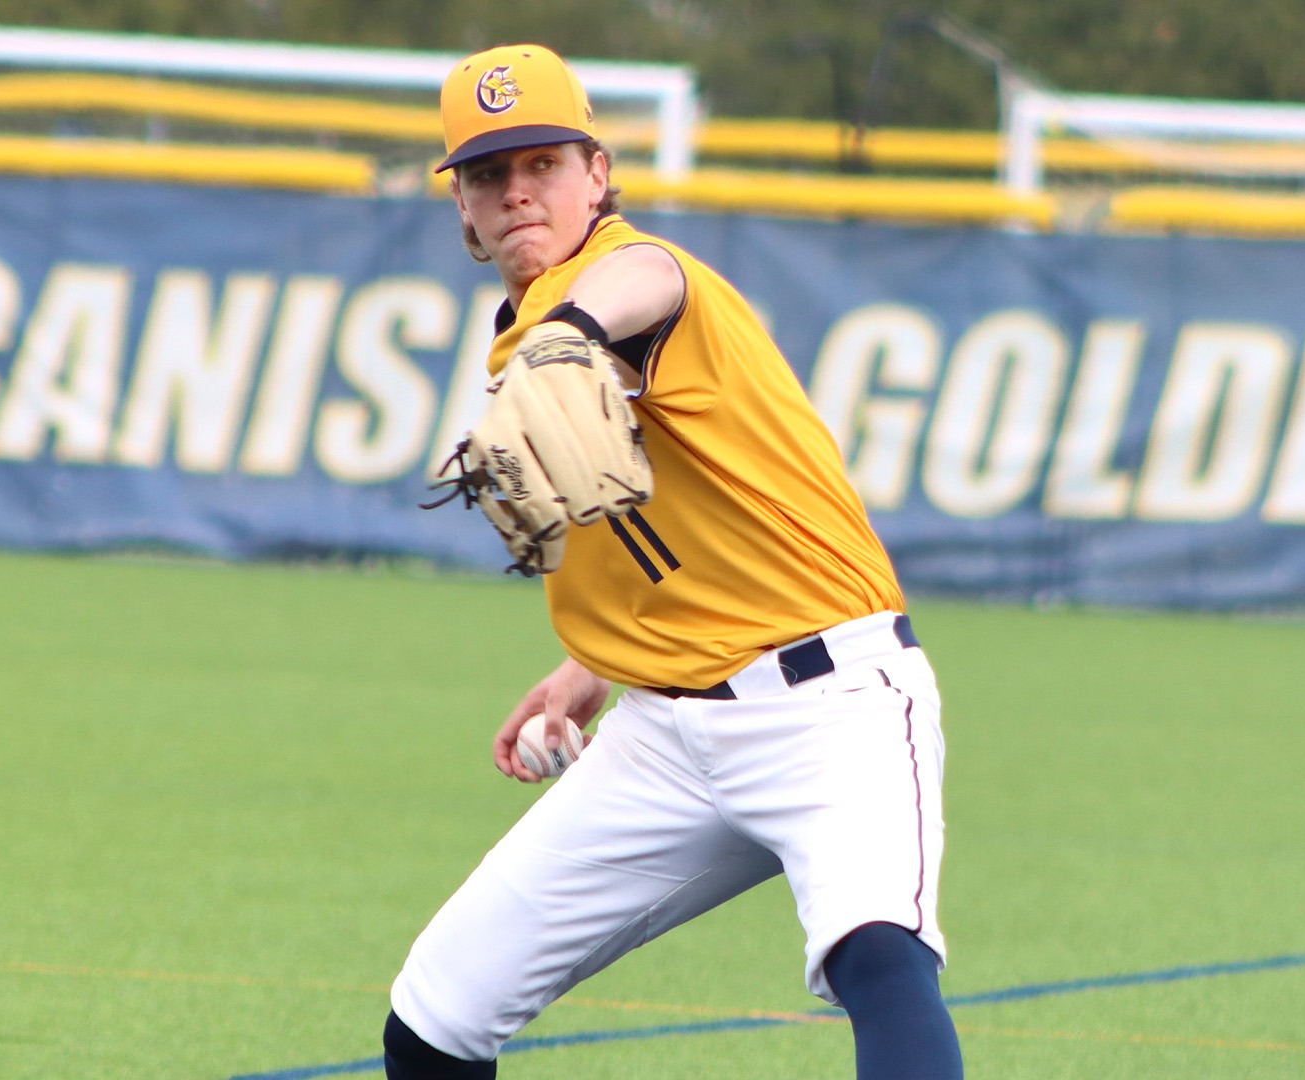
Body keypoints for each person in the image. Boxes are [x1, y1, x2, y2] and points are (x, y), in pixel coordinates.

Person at [387, 43, 962, 1080]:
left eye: (542, 164)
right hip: (666, 735)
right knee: (435, 1020)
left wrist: (573, 329)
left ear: (598, 174)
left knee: (879, 956)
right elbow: (657, 527)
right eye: (487, 175)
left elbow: (646, 277)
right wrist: (589, 670)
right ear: (463, 210)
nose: (517, 192)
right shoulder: (532, 329)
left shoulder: (626, 283)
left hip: (832, 704)